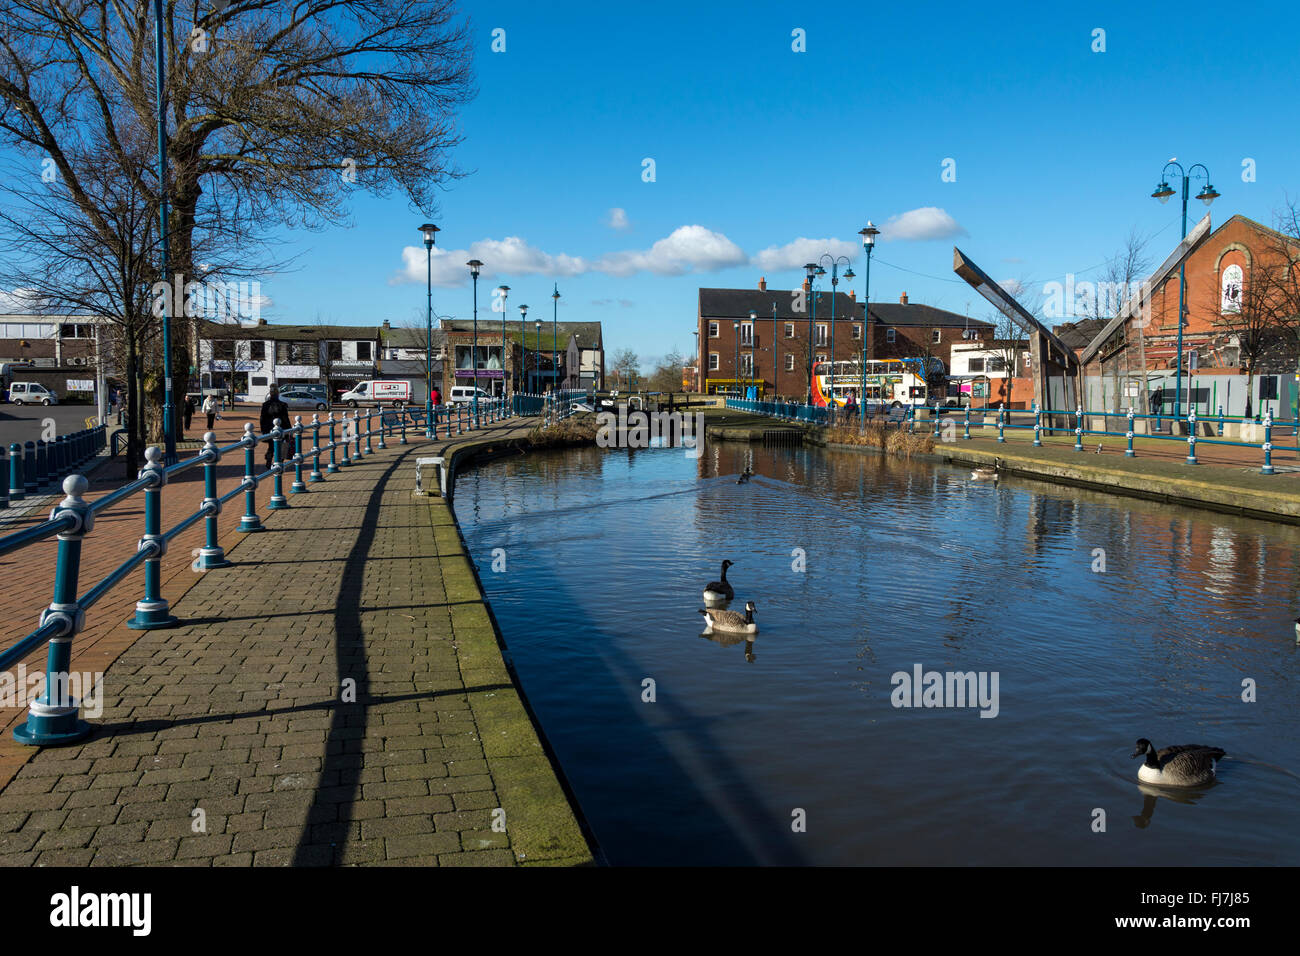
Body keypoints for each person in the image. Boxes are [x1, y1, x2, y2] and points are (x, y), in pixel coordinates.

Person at [260, 385, 289, 469]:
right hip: (281, 429)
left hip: (269, 429)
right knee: (283, 446)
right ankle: (279, 462)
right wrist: (289, 430)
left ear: (270, 394)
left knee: (271, 446)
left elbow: (262, 418)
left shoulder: (265, 405)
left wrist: (263, 429)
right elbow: (285, 418)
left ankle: (269, 461)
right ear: (278, 394)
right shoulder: (282, 405)